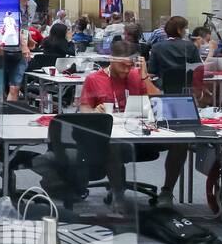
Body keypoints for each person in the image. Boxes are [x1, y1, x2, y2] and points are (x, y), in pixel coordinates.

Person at [79, 41, 187, 208]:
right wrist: (94, 112)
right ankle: (118, 194)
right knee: (111, 146)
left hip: (142, 134)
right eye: (123, 66)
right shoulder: (94, 79)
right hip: (115, 137)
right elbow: (84, 110)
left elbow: (159, 100)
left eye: (130, 66)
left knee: (181, 142)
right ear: (111, 60)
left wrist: (144, 76)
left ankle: (166, 192)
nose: (126, 70)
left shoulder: (136, 75)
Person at [148, 16, 202, 83]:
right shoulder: (190, 46)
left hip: (163, 89)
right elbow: (198, 69)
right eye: (185, 28)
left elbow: (151, 72)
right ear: (179, 30)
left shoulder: (156, 47)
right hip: (186, 89)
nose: (186, 31)